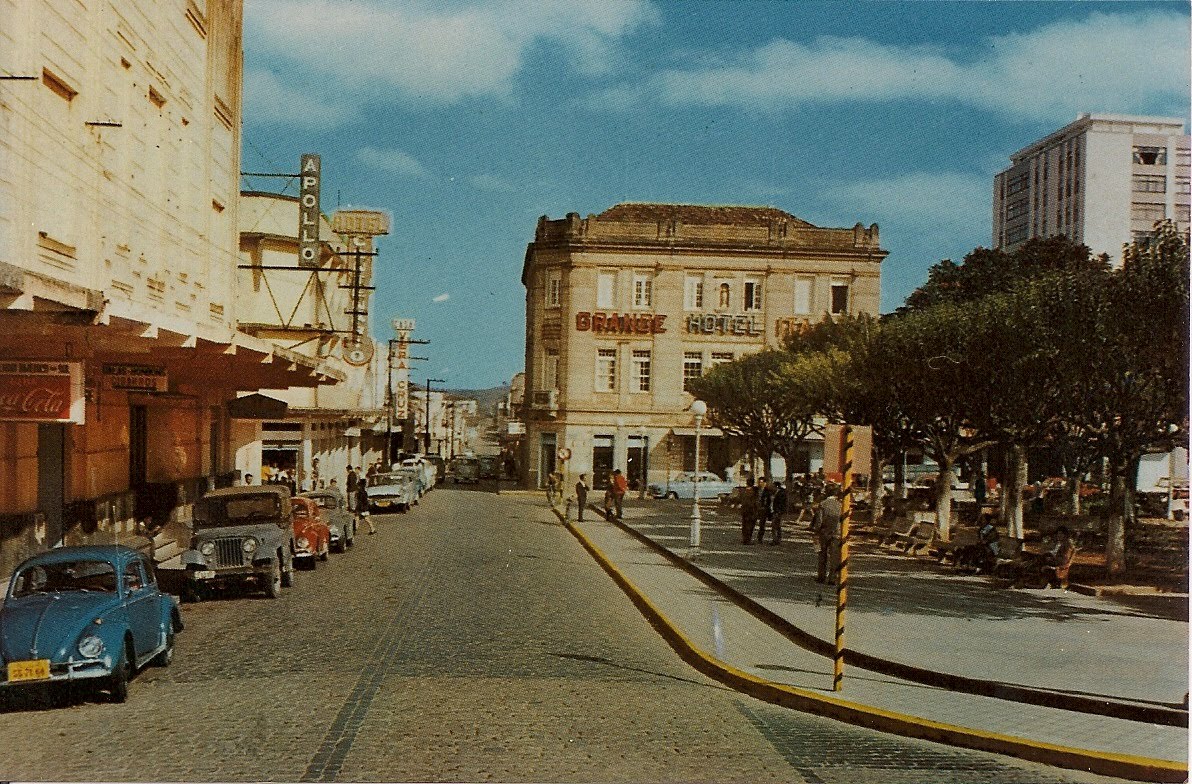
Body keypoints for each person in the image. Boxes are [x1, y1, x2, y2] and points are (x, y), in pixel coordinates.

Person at [813, 486, 842, 584]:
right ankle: (832, 578)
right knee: (834, 557)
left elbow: (819, 520)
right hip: (837, 532)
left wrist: (816, 531)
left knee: (822, 555)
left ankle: (821, 576)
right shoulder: (841, 505)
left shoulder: (823, 504)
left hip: (824, 532)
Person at [740, 477, 759, 544]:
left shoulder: (743, 491)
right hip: (751, 510)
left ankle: (745, 539)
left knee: (745, 525)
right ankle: (748, 539)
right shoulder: (755, 491)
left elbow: (741, 500)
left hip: (744, 510)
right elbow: (756, 502)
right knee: (750, 526)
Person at [769, 481, 787, 545]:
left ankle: (776, 540)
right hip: (774, 511)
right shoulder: (774, 493)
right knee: (777, 526)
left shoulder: (781, 493)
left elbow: (782, 504)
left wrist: (779, 511)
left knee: (775, 526)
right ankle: (777, 539)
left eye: (773, 486)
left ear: (776, 486)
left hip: (777, 511)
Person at [756, 478, 773, 544]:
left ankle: (760, 538)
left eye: (762, 482)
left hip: (764, 509)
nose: (761, 484)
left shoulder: (768, 491)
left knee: (762, 524)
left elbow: (769, 501)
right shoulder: (756, 490)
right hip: (756, 509)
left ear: (765, 483)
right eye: (760, 482)